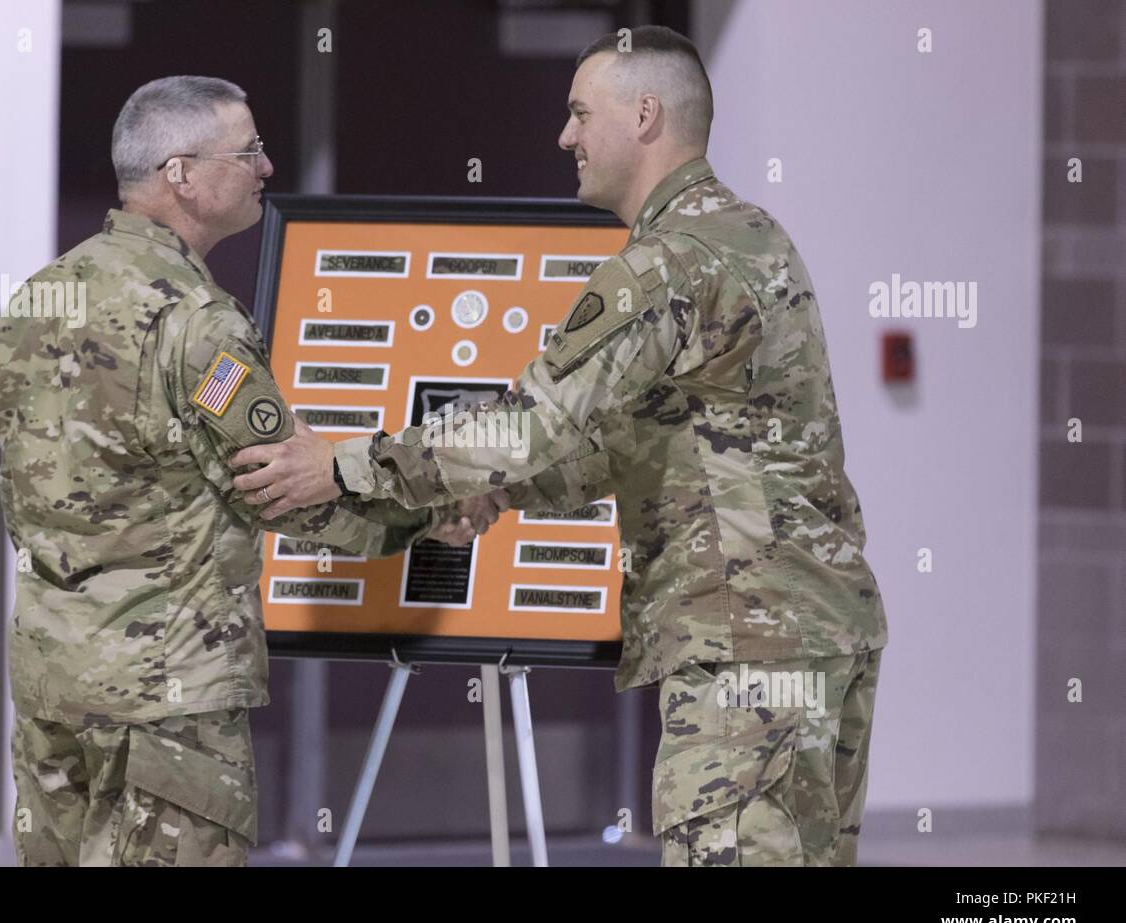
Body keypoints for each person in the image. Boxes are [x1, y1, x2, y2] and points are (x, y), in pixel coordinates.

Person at [229, 28, 889, 867]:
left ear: (644, 115)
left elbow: (529, 425)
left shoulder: (662, 266)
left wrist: (343, 465)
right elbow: (650, 442)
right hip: (819, 630)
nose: (564, 137)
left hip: (743, 650)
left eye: (581, 113)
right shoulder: (751, 236)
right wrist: (492, 498)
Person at [0, 76, 501, 866]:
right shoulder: (197, 323)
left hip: (54, 684)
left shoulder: (36, 298)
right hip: (168, 697)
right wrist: (434, 513)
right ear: (180, 174)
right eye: (249, 150)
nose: (266, 168)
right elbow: (289, 493)